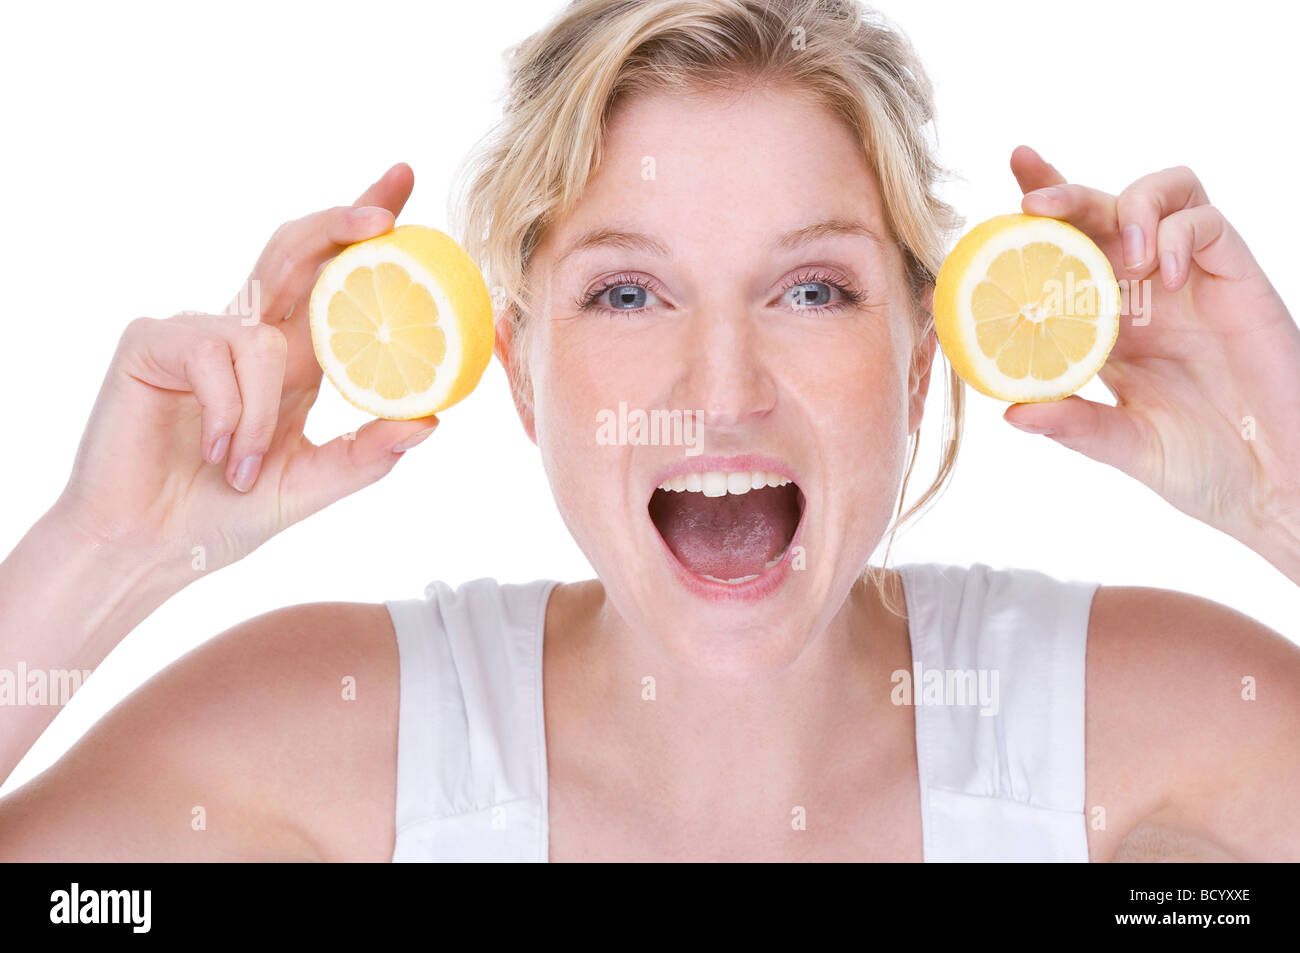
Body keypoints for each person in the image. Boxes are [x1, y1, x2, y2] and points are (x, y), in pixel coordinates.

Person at [2, 0, 1298, 862]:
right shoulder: (340, 745)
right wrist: (104, 549)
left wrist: (1283, 488)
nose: (721, 385)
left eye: (811, 288)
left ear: (917, 362)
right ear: (519, 371)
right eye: (628, 290)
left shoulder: (1124, 730)